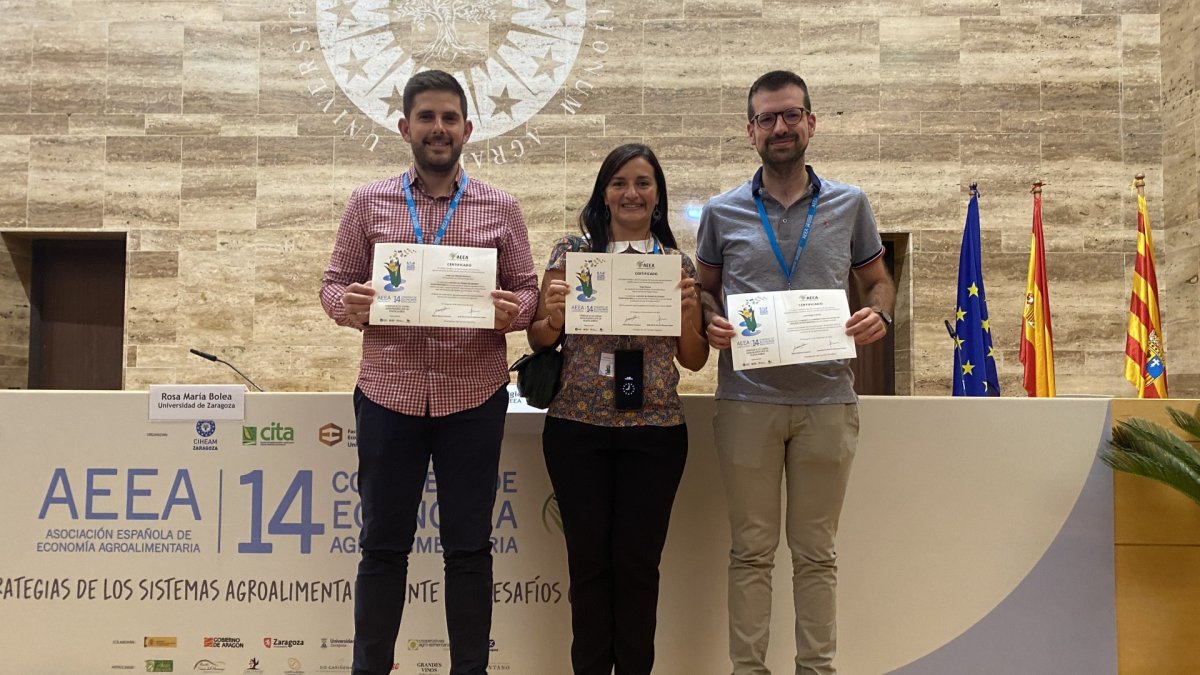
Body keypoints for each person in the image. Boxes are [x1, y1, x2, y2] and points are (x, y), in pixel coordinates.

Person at [319, 69, 539, 675]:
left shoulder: (501, 206)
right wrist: (349, 306)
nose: (438, 129)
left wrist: (511, 312)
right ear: (404, 127)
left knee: (468, 550)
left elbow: (530, 294)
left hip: (473, 397)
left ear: (468, 129)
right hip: (388, 396)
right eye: (426, 117)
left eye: (449, 118)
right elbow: (333, 284)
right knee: (382, 549)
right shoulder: (369, 203)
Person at [695, 71, 896, 675]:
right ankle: (747, 670)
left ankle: (817, 669)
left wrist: (880, 311)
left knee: (816, 554)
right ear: (749, 131)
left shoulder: (850, 203)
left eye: (791, 115)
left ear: (811, 121)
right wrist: (710, 319)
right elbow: (704, 292)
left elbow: (879, 278)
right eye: (767, 118)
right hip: (746, 399)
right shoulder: (721, 211)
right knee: (751, 552)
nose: (779, 127)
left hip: (828, 401)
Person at [527, 143, 709, 674]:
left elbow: (694, 360)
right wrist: (554, 317)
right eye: (619, 182)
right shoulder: (571, 254)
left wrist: (690, 314)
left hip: (654, 432)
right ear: (603, 193)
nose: (631, 193)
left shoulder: (676, 265)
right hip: (575, 430)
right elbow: (540, 339)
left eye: (643, 183)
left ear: (658, 197)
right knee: (587, 567)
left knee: (637, 568)